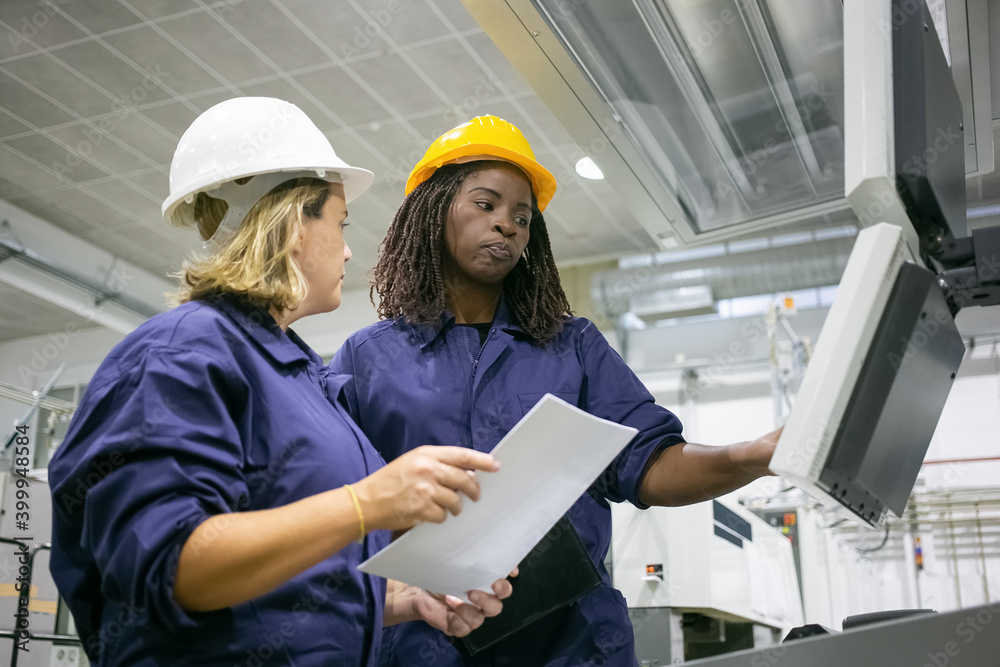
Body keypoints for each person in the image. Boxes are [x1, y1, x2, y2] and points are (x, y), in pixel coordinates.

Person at [47, 98, 512, 667]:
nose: (346, 248)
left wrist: (405, 598)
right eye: (339, 224)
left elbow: (284, 590)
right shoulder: (182, 355)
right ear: (295, 224)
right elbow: (174, 566)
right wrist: (368, 502)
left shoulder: (298, 377)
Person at [329, 115, 781, 666]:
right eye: (486, 204)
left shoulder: (572, 347)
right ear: (433, 209)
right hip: (426, 644)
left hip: (573, 644)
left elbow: (651, 464)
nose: (507, 226)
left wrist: (751, 455)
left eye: (522, 216)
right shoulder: (367, 358)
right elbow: (339, 507)